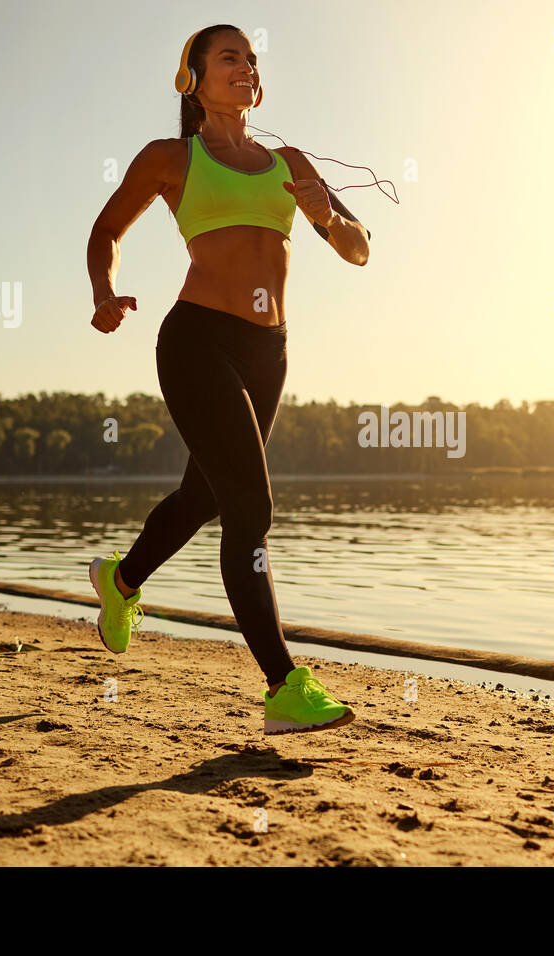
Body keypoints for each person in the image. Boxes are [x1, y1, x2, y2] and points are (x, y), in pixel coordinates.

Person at [85, 24, 371, 735]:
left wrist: (324, 215)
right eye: (228, 57)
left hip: (267, 351)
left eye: (251, 58)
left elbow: (360, 250)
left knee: (201, 497)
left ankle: (121, 581)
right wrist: (103, 291)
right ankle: (283, 686)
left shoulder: (290, 162)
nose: (245, 66)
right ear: (193, 80)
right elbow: (107, 230)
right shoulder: (169, 158)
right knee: (251, 507)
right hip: (196, 340)